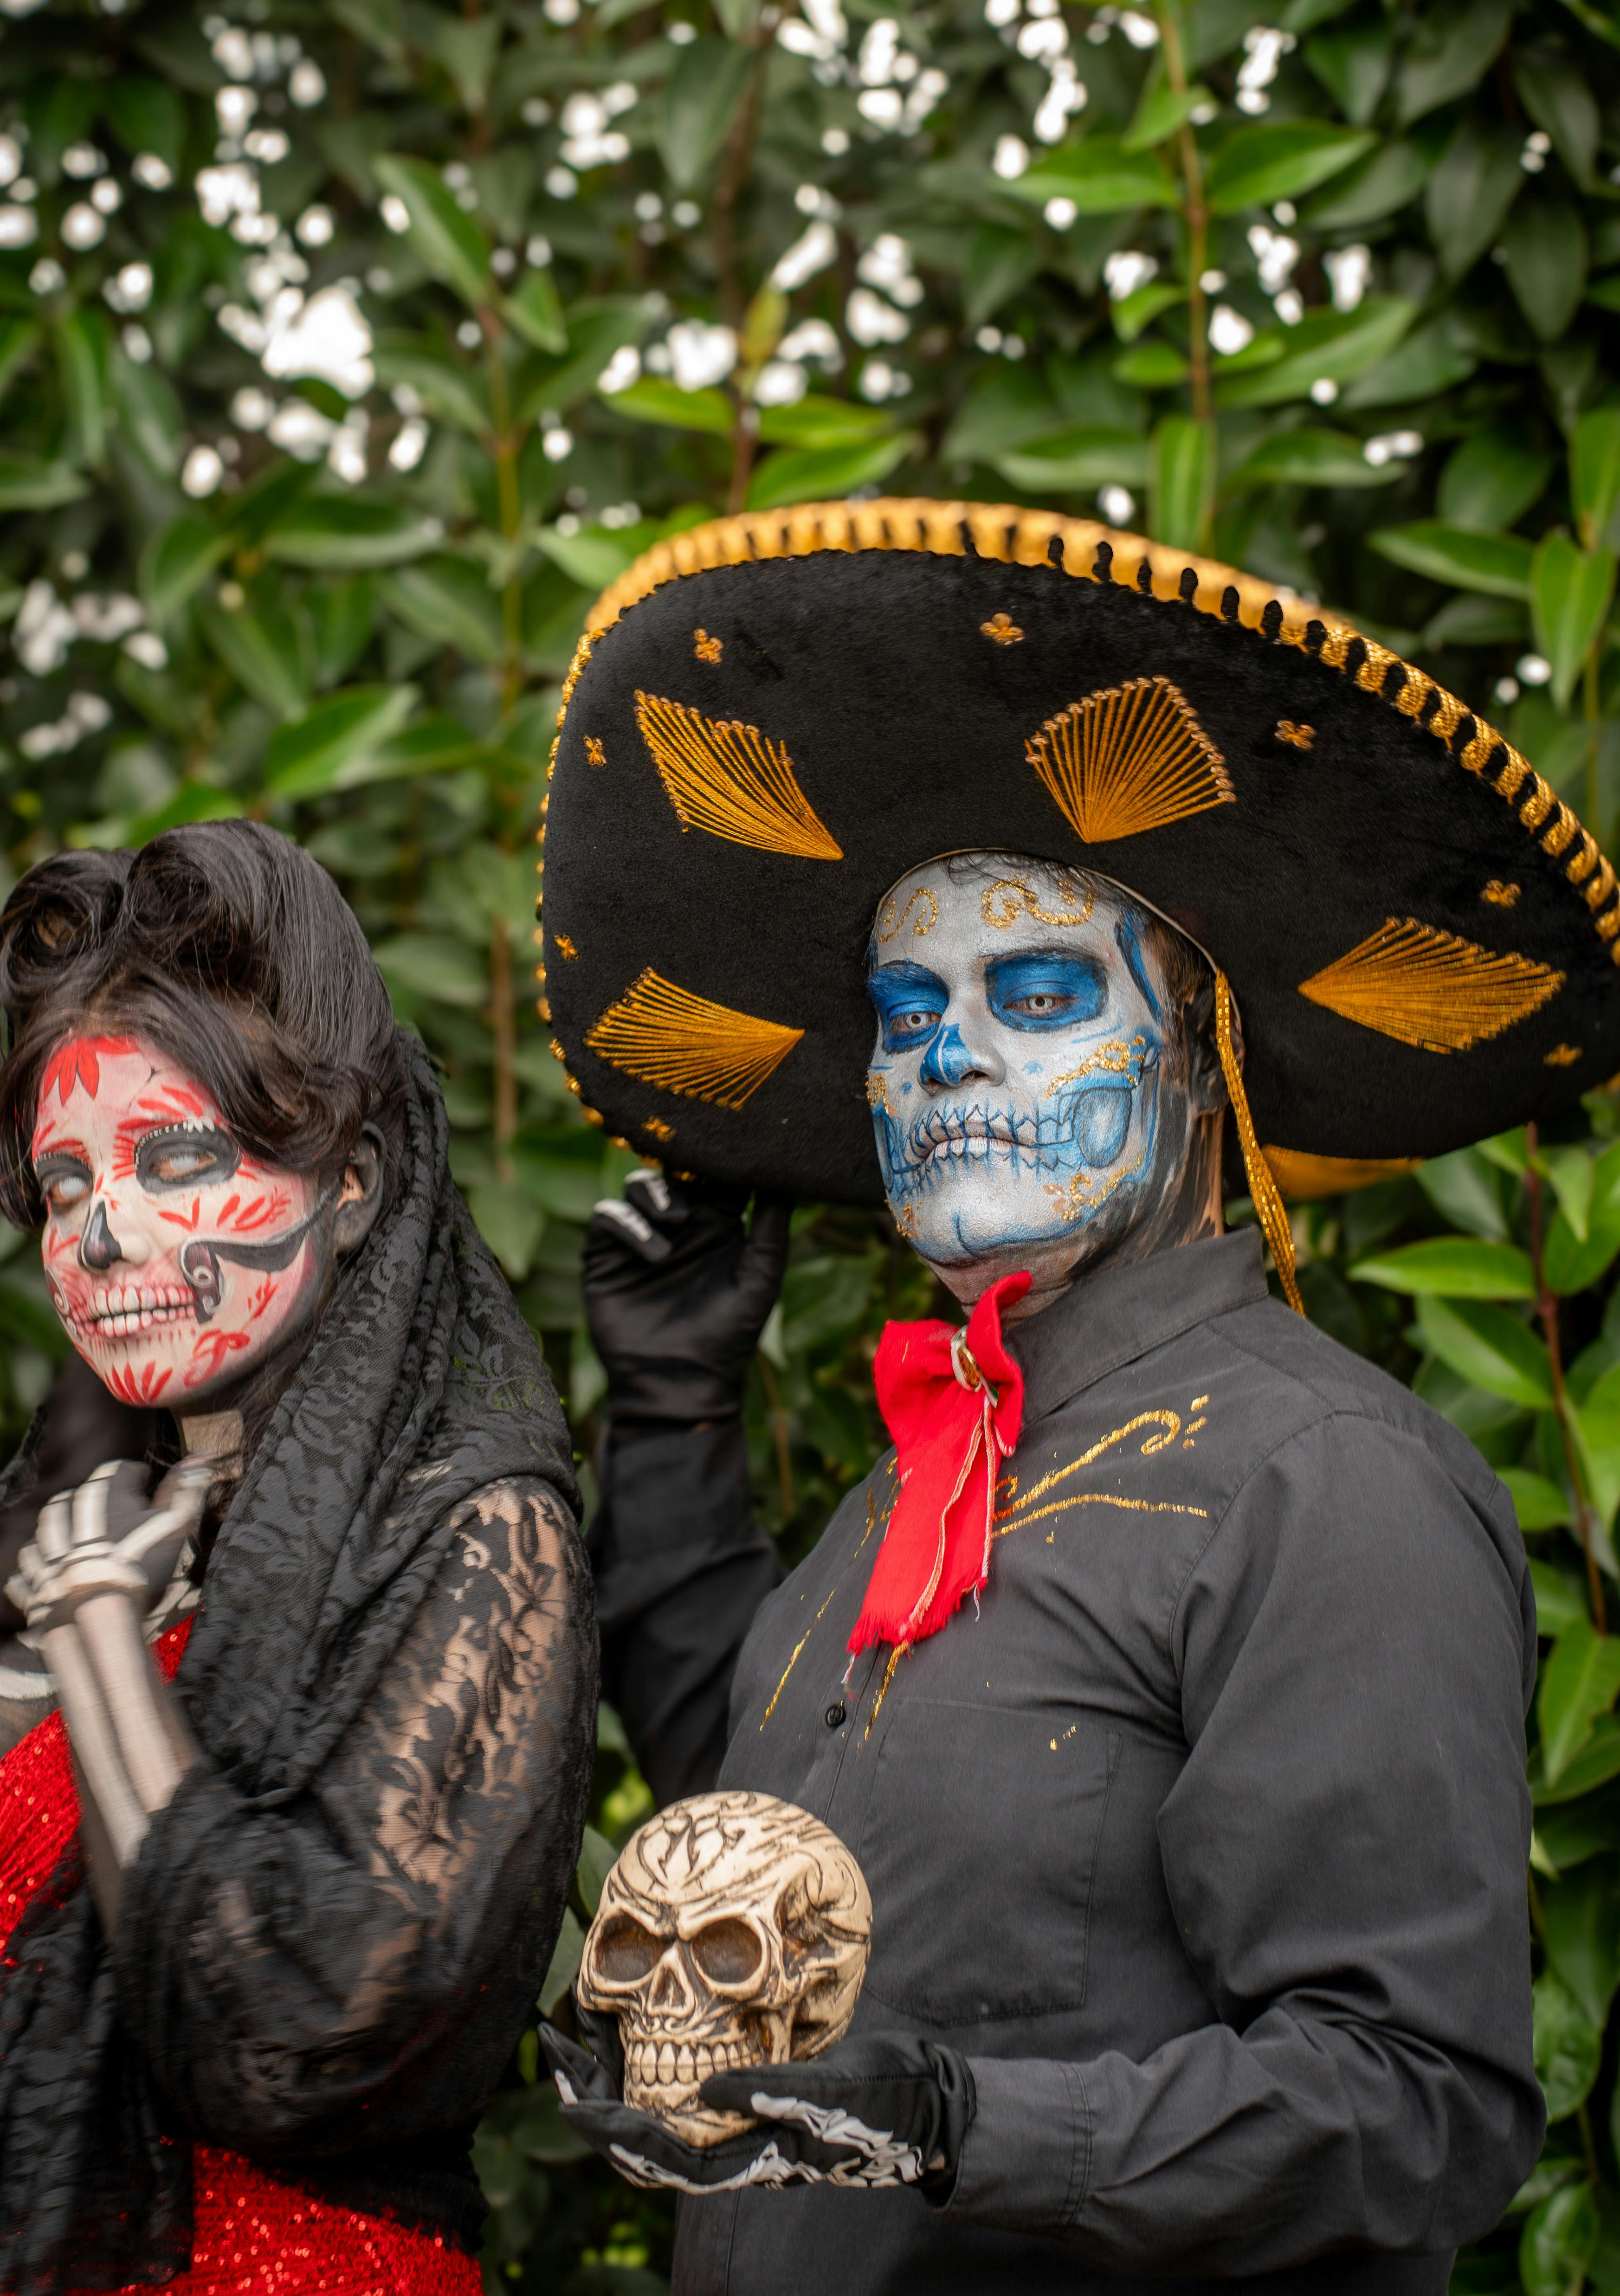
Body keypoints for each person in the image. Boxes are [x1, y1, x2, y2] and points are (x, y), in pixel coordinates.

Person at [534, 497, 1609, 2292]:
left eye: (1035, 990)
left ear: (1194, 1059)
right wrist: (665, 1406)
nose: (946, 1052)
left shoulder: (1324, 1478)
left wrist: (968, 2126)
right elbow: (769, 1814)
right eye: (903, 1005)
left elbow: (1417, 2108)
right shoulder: (922, 1481)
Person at [0, 822, 598, 2296]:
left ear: (351, 1180)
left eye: (179, 1159)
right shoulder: (45, 1519)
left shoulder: (478, 1530)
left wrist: (98, 1635)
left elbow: (297, 2022)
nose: (107, 1229)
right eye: (69, 1182)